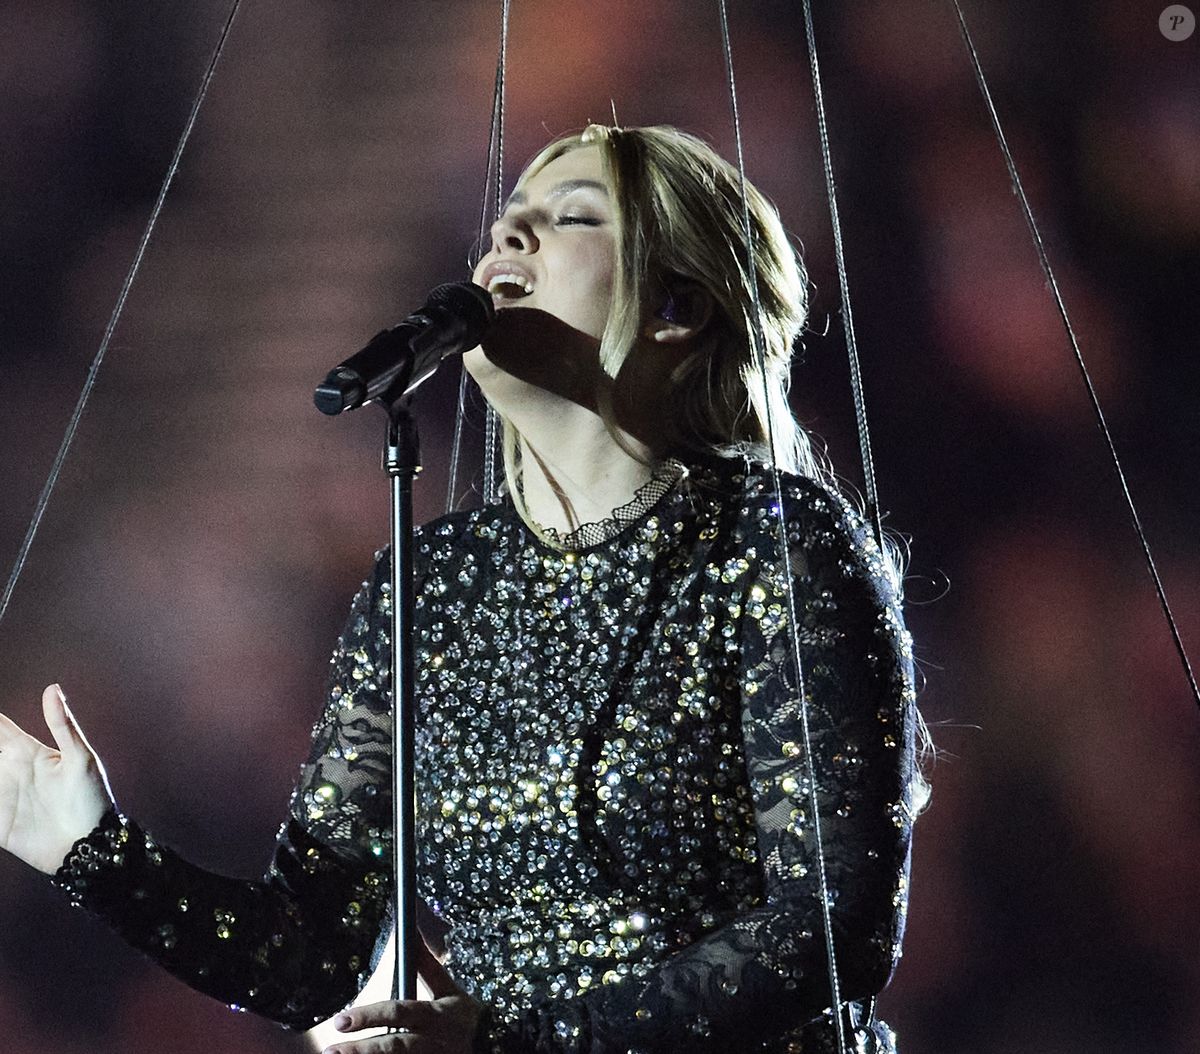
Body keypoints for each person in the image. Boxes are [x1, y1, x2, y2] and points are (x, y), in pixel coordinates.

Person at [0, 124, 922, 1053]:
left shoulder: (774, 546)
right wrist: (90, 851)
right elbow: (312, 950)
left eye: (569, 217)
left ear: (674, 310)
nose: (507, 239)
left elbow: (835, 929)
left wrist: (507, 1043)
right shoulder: (430, 588)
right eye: (504, 221)